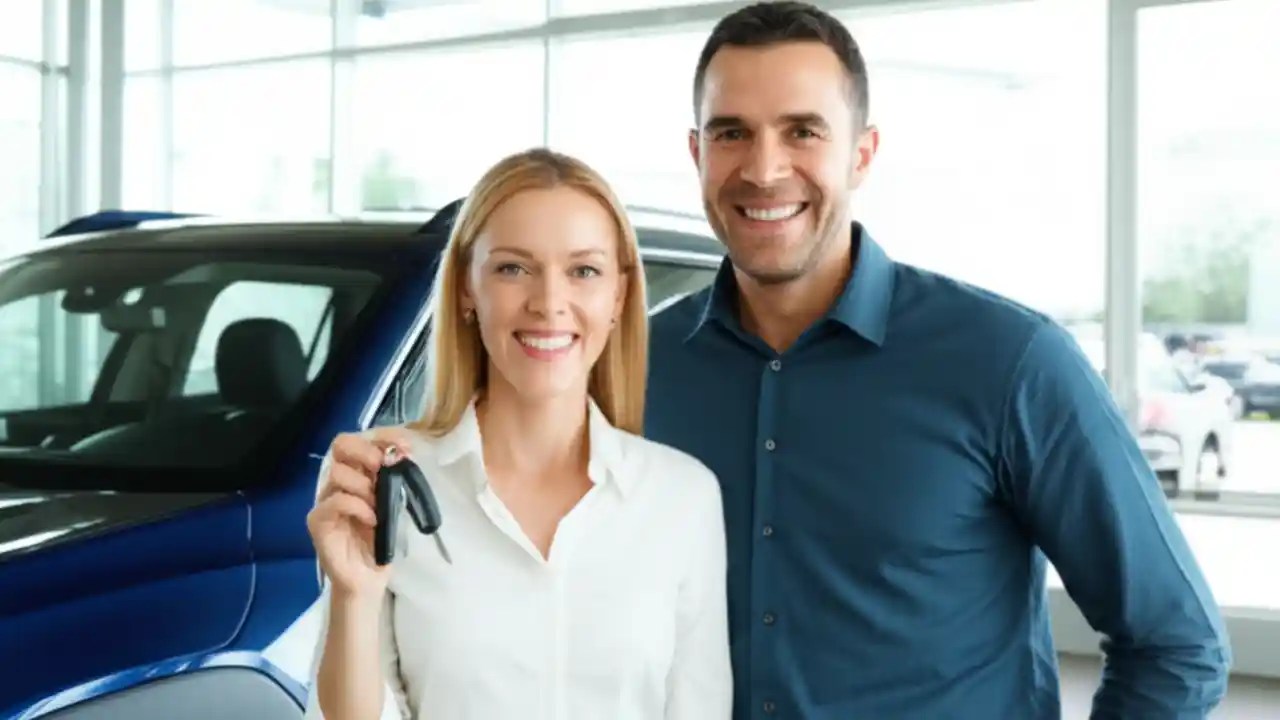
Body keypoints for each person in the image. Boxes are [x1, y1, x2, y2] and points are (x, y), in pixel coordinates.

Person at [642, 2, 1231, 718]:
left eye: (803, 131)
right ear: (698, 152)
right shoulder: (640, 368)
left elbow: (1176, 643)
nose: (764, 169)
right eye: (732, 132)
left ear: (862, 152)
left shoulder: (1011, 362)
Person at [303, 148, 732, 720]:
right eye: (512, 268)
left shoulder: (683, 497)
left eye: (584, 271)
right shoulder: (388, 482)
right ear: (465, 290)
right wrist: (354, 596)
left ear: (619, 296)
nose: (549, 303)